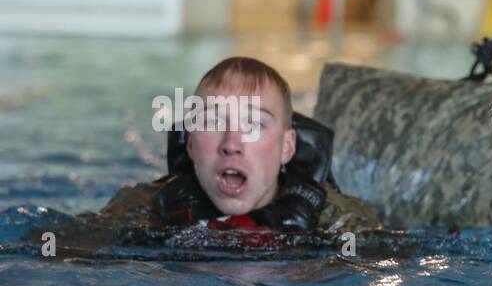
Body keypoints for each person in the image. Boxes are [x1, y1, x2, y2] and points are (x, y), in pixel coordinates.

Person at [95, 57, 381, 234]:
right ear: (191, 142)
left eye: (254, 125)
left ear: (287, 147)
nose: (231, 144)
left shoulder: (341, 222)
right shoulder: (143, 209)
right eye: (212, 122)